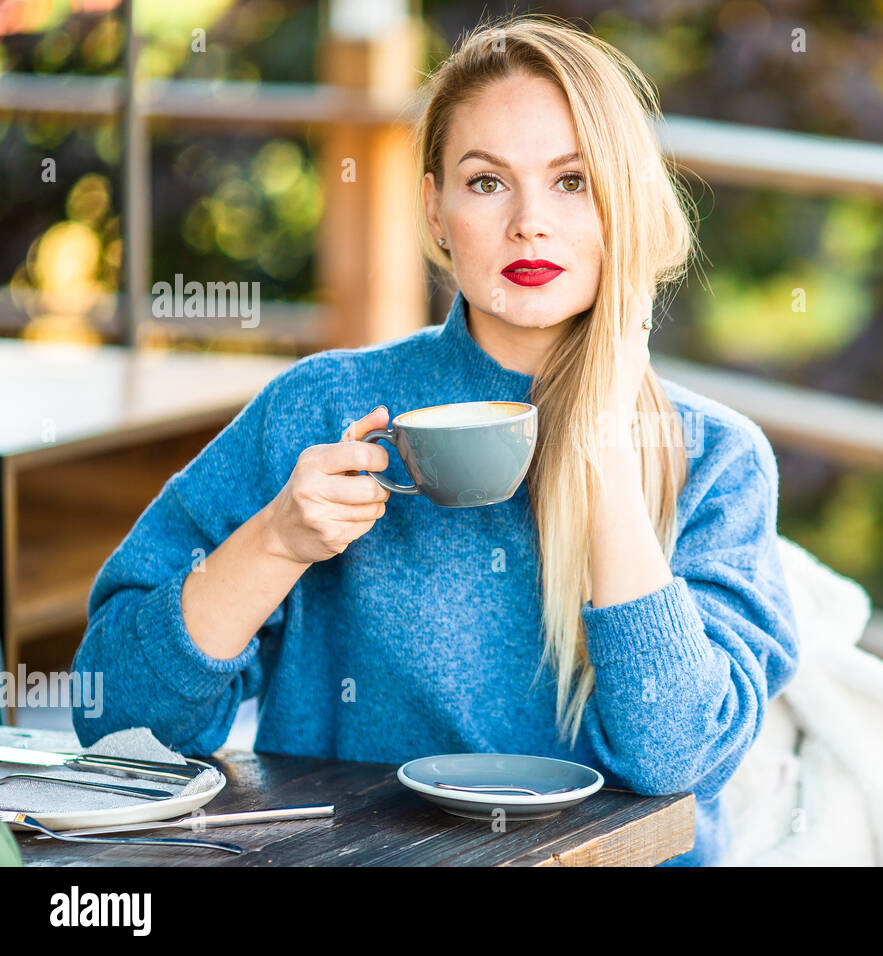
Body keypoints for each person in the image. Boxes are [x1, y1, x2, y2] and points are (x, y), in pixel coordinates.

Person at [72, 13, 799, 867]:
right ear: (436, 208)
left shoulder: (717, 458)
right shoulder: (326, 407)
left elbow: (677, 757)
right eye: (488, 182)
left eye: (573, 181)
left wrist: (601, 448)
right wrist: (275, 542)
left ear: (624, 203)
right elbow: (116, 722)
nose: (531, 221)